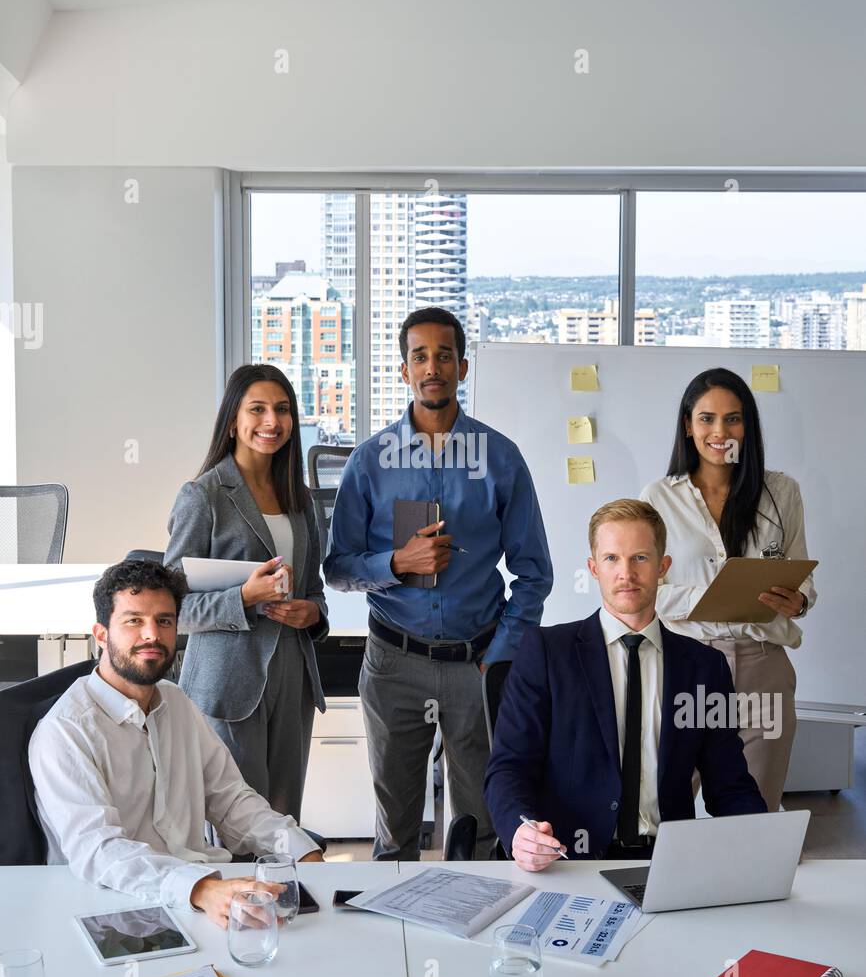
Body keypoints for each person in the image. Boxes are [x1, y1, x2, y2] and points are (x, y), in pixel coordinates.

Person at [324, 307, 553, 861]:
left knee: (478, 829)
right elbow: (337, 568)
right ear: (404, 371)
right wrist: (397, 563)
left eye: (444, 356)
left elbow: (534, 573)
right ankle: (395, 940)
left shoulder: (500, 459)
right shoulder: (369, 462)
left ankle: (472, 939)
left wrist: (500, 655)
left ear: (463, 367)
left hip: (475, 663)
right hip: (394, 663)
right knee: (396, 831)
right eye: (420, 356)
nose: (433, 367)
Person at [28, 560, 323, 929]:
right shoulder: (66, 731)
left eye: (164, 621)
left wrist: (301, 850)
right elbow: (99, 852)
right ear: (101, 634)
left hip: (202, 894)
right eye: (134, 620)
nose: (152, 635)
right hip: (116, 906)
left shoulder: (175, 701)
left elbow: (230, 799)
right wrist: (199, 890)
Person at [484, 500, 766, 872]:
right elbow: (509, 767)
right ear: (593, 569)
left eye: (641, 558)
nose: (626, 574)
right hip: (566, 859)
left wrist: (764, 841)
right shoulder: (547, 653)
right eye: (612, 559)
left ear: (663, 567)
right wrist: (520, 833)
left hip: (667, 864)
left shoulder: (704, 667)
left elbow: (729, 784)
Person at [640, 368, 816, 813]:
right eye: (707, 419)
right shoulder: (659, 497)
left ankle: (749, 885)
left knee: (755, 809)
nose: (720, 432)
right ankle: (663, 885)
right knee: (663, 808)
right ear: (688, 425)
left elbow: (804, 577)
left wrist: (799, 600)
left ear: (748, 426)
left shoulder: (782, 492)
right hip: (687, 664)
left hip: (764, 669)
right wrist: (712, 598)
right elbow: (644, 591)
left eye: (733, 419)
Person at [163, 365, 329, 819]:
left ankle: (282, 892)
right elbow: (170, 608)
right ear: (233, 420)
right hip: (227, 679)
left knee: (284, 820)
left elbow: (315, 591)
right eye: (257, 409)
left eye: (282, 410)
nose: (271, 421)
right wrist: (244, 598)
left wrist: (311, 612)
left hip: (291, 674)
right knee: (238, 823)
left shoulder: (301, 498)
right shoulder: (204, 495)